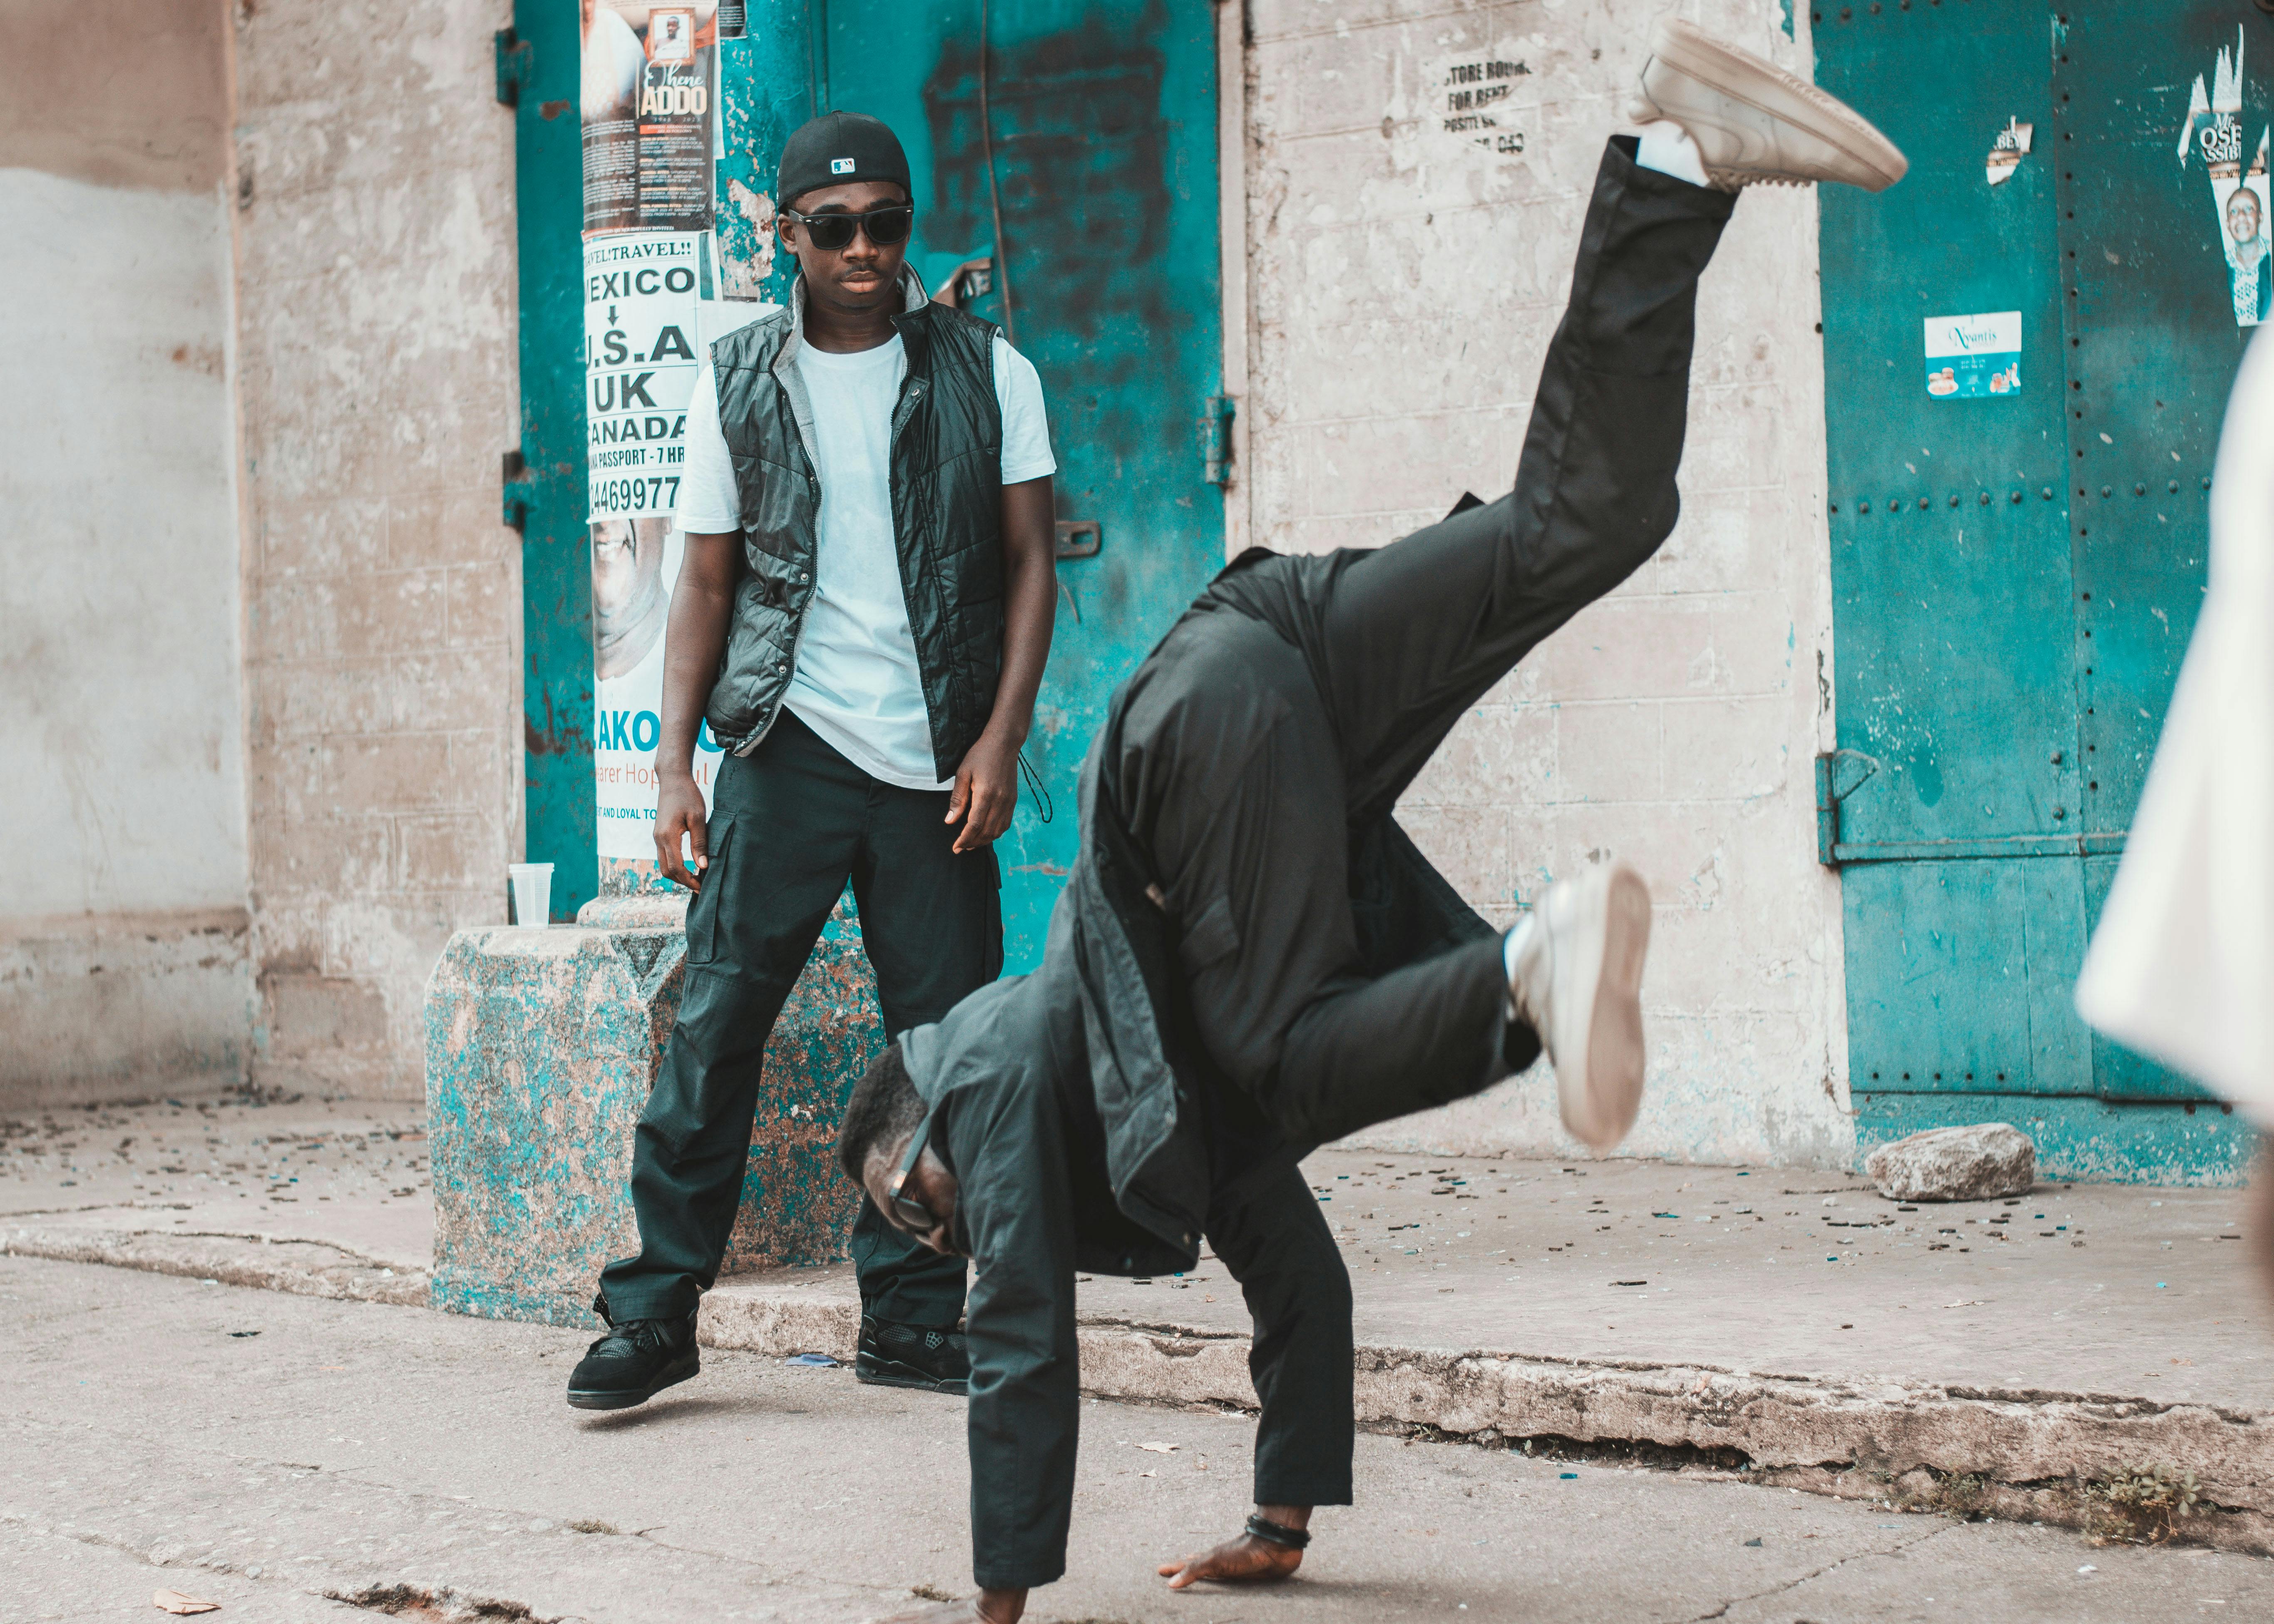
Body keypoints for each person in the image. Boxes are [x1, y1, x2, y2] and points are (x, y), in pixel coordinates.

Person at [835, 21, 1908, 1621]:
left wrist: (998, 1605)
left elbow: (1020, 1351)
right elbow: (1298, 1283)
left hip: (1198, 734)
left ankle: (1533, 974)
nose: (951, 1233)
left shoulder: (991, 1071)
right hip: (1266, 647)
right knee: (1587, 522)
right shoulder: (1173, 1121)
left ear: (931, 1116)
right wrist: (1278, 1523)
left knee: (1296, 1046)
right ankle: (1677, 162)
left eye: (918, 1203)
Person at [567, 110, 1060, 1409]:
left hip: (935, 765)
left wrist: (1001, 738)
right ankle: (655, 1312)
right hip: (788, 747)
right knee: (716, 1029)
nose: (862, 251)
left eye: (885, 225)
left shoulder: (990, 373)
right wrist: (675, 768)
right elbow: (705, 585)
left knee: (941, 1054)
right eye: (833, 228)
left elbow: (1031, 566)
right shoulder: (735, 381)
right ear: (788, 232)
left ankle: (912, 1319)